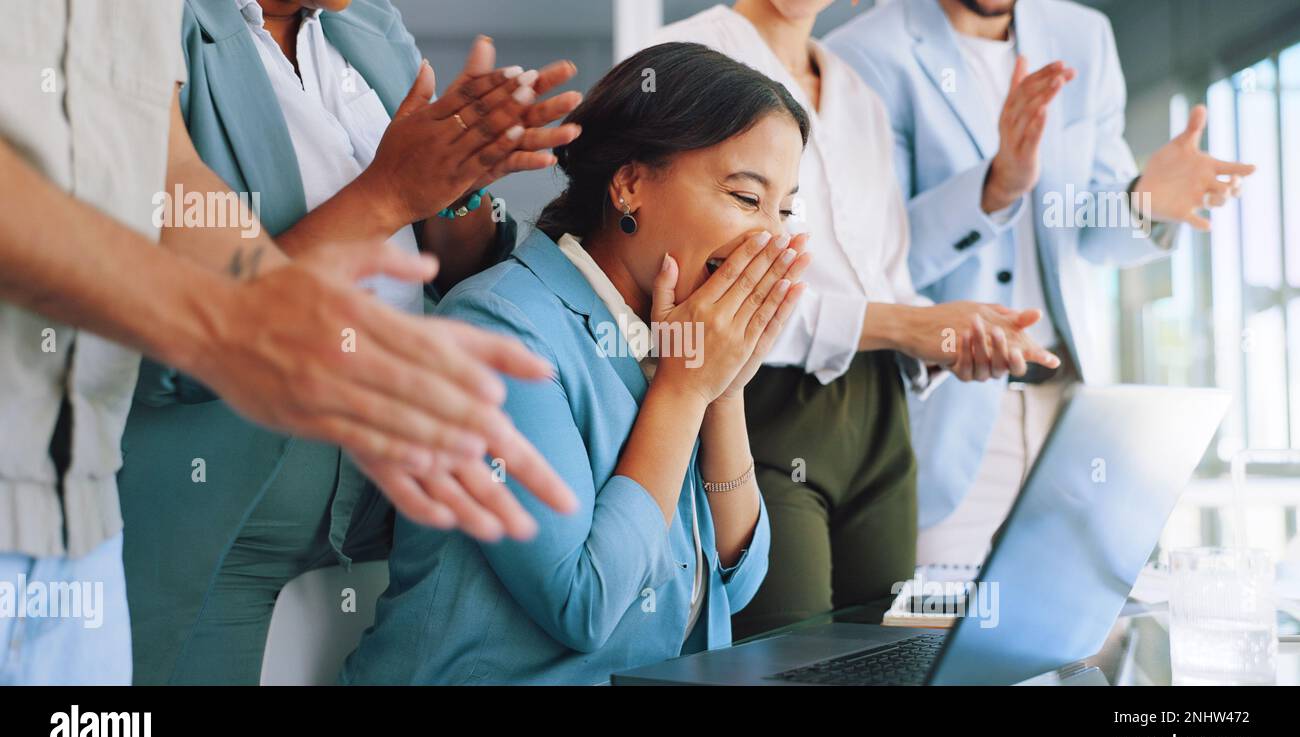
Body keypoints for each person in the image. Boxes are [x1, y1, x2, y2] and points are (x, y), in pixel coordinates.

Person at [0, 0, 573, 685]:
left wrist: (452, 186)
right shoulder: (187, 23)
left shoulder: (361, 29)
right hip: (125, 502)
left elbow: (171, 174)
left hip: (72, 502)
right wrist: (238, 315)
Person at [342, 42, 812, 684]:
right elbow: (581, 604)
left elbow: (736, 581)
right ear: (630, 185)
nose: (773, 239)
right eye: (745, 197)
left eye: (785, 210)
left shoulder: (672, 337)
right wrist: (685, 391)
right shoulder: (500, 325)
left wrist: (721, 390)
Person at [653, 0, 1059, 638]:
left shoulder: (858, 91)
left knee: (889, 650)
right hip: (759, 404)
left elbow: (887, 275)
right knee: (790, 658)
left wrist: (947, 338)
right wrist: (903, 325)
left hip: (880, 416)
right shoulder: (683, 60)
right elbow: (690, 286)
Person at [826, 0, 1256, 564]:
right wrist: (995, 187)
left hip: (1070, 402)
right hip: (949, 416)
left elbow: (1090, 238)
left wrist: (1144, 201)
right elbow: (879, 261)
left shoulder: (1084, 35)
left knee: (1081, 633)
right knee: (934, 634)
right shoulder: (863, 53)